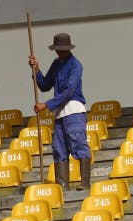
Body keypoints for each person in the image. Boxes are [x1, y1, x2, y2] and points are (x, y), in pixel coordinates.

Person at [29, 32, 91, 191]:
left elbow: (69, 91)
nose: (59, 52)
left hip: (74, 111)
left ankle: (85, 182)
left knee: (78, 143)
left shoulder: (76, 65)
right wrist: (36, 69)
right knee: (59, 148)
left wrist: (47, 105)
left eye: (62, 49)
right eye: (57, 49)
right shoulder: (56, 64)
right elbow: (44, 85)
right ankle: (62, 185)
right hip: (59, 113)